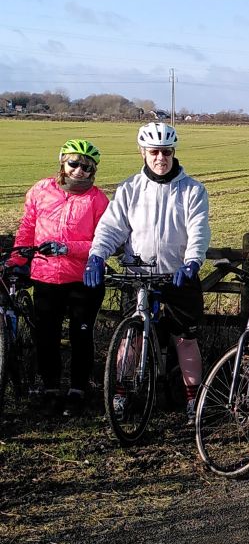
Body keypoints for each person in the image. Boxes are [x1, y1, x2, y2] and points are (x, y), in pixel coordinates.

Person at [84, 122, 210, 423]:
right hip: (138, 276)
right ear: (143, 152)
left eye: (166, 151)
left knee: (185, 339)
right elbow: (112, 228)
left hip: (178, 276)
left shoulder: (192, 189)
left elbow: (198, 230)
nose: (161, 158)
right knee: (132, 337)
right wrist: (96, 256)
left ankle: (194, 401)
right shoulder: (129, 189)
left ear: (173, 152)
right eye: (154, 152)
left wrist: (192, 263)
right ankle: (122, 395)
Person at [7, 139, 110, 416]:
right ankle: (50, 389)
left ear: (93, 170)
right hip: (46, 276)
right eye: (74, 163)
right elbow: (28, 227)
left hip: (82, 279)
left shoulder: (98, 200)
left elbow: (103, 243)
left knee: (81, 336)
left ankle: (78, 390)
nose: (79, 170)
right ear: (63, 163)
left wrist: (68, 248)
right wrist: (17, 260)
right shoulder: (42, 190)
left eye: (87, 167)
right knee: (46, 337)